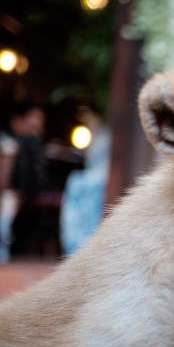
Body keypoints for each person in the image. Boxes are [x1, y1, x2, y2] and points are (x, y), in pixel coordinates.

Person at [0, 102, 46, 263]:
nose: (37, 124)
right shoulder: (12, 142)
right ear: (17, 121)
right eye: (33, 118)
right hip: (12, 194)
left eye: (40, 120)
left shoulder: (35, 145)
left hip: (28, 197)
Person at [60, 105, 111, 256]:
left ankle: (82, 242)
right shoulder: (92, 136)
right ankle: (76, 243)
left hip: (102, 178)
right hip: (95, 178)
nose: (86, 120)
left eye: (88, 116)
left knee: (78, 182)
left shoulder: (107, 136)